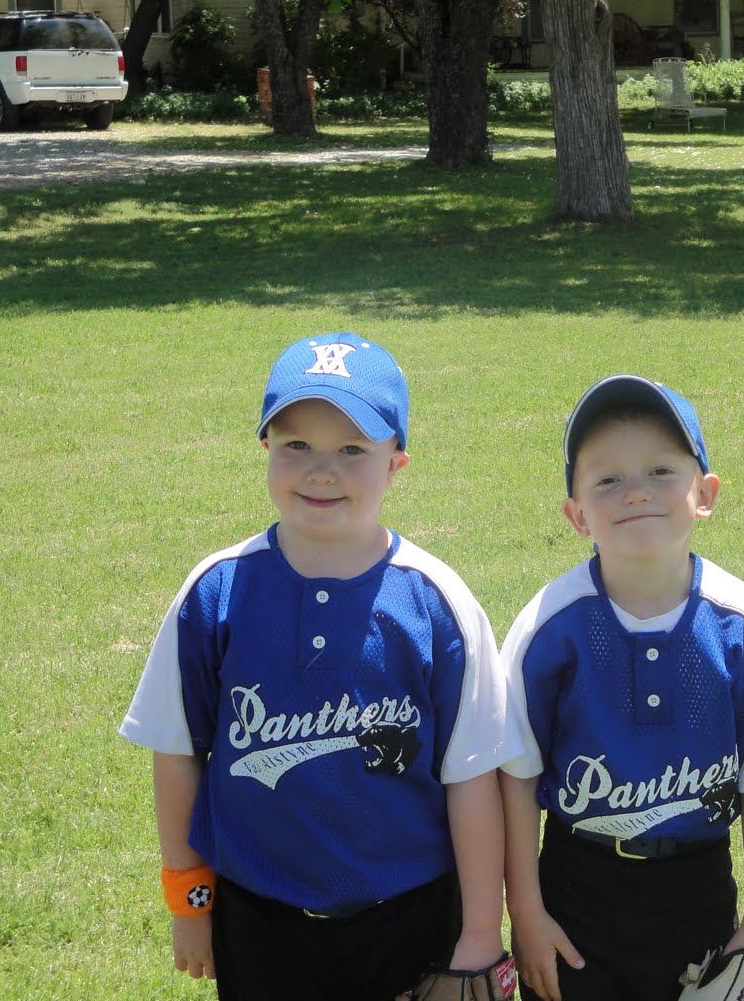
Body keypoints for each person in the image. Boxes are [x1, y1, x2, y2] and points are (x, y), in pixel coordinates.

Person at [121, 333, 515, 1000]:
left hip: (410, 913)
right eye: (296, 444)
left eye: (353, 450)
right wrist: (189, 903)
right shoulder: (218, 591)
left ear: (397, 463)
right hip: (257, 915)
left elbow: (473, 777)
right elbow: (176, 753)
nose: (321, 470)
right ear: (265, 451)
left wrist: (479, 933)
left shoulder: (434, 601)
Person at [500, 375, 744, 1001]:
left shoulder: (742, 625)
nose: (635, 493)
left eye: (660, 471)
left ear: (704, 494)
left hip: (695, 884)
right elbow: (515, 776)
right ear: (576, 515)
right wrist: (526, 911)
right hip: (576, 881)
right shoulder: (550, 626)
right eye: (607, 479)